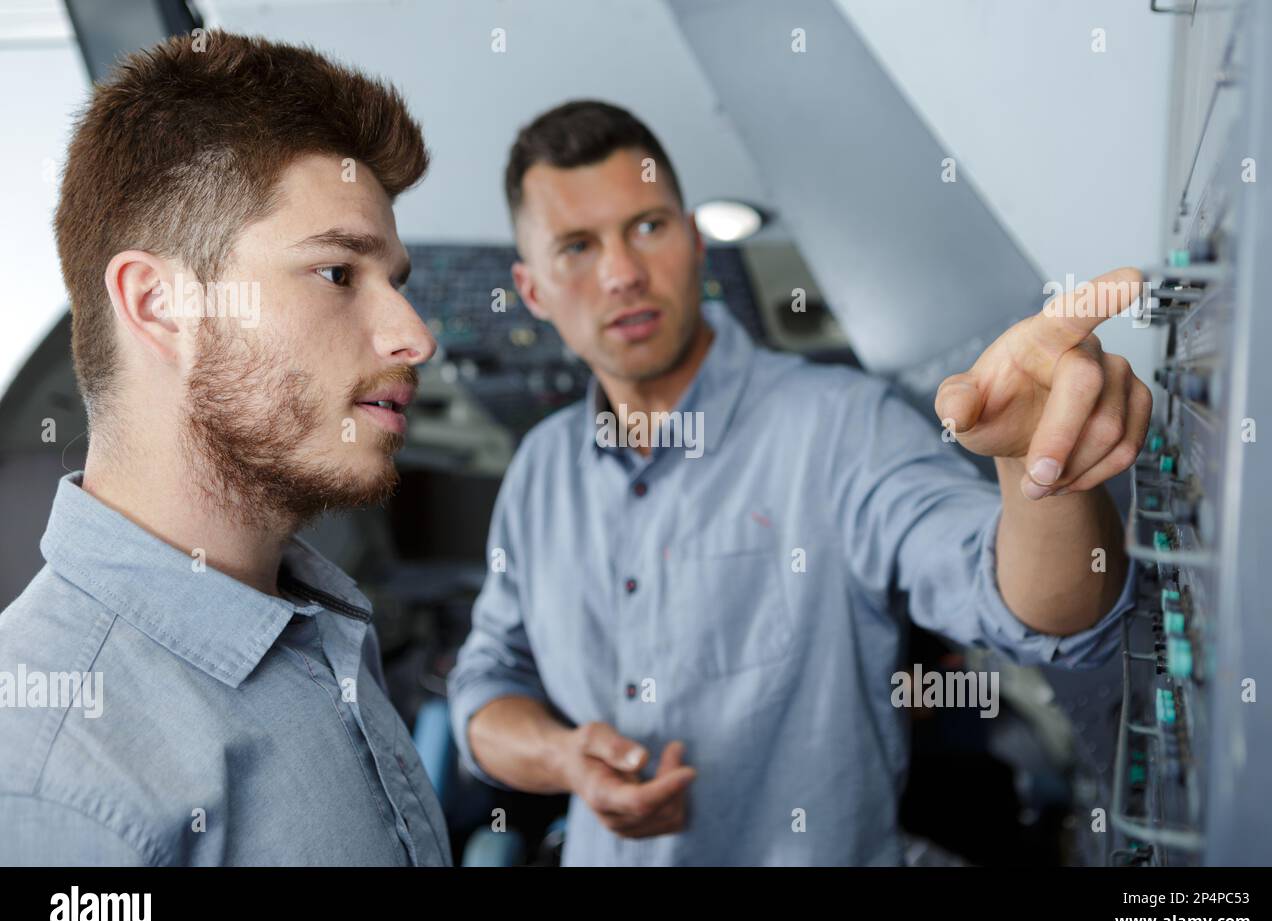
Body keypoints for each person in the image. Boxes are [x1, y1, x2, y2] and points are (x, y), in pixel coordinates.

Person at [448, 100, 1150, 865]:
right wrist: (561, 758)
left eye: (648, 227)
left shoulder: (840, 426)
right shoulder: (540, 473)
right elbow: (486, 683)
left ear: (691, 240)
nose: (622, 273)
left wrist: (1037, 471)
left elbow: (1041, 613)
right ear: (533, 290)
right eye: (578, 246)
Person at [0, 32, 448, 865]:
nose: (413, 335)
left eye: (399, 283)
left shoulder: (320, 629)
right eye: (339, 274)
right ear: (159, 303)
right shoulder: (51, 789)